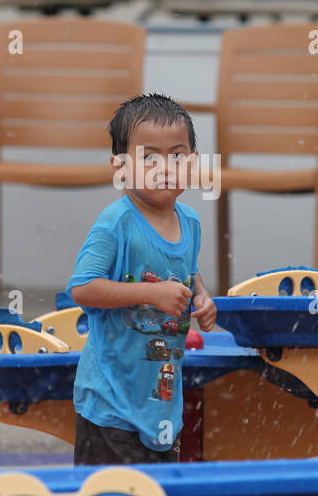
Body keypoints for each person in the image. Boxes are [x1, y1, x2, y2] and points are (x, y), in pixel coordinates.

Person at [67, 93, 217, 465]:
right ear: (120, 167)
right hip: (110, 401)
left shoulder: (191, 222)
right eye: (149, 157)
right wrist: (151, 294)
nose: (165, 167)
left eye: (178, 156)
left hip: (159, 404)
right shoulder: (116, 223)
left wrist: (202, 297)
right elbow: (83, 288)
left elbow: (188, 271)